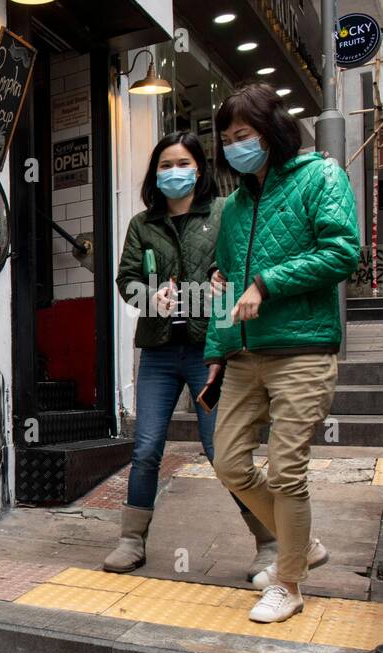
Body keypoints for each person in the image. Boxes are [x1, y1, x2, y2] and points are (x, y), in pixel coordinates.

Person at [205, 84, 359, 624]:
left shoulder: (322, 176)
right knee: (227, 463)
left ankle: (288, 582)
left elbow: (343, 250)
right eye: (226, 139)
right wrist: (216, 353)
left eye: (242, 135)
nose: (233, 147)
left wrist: (266, 282)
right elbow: (224, 285)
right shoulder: (234, 205)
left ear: (272, 129)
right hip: (246, 354)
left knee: (287, 469)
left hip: (303, 347)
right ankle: (303, 543)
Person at [106, 132, 277, 576]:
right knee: (145, 449)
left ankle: (270, 541)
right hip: (159, 353)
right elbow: (125, 280)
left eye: (182, 163)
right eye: (165, 165)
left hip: (211, 352)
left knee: (222, 449)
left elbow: (246, 260)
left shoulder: (224, 212)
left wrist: (226, 279)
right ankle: (131, 541)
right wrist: (148, 295)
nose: (173, 172)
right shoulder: (143, 224)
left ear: (199, 169)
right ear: (154, 172)